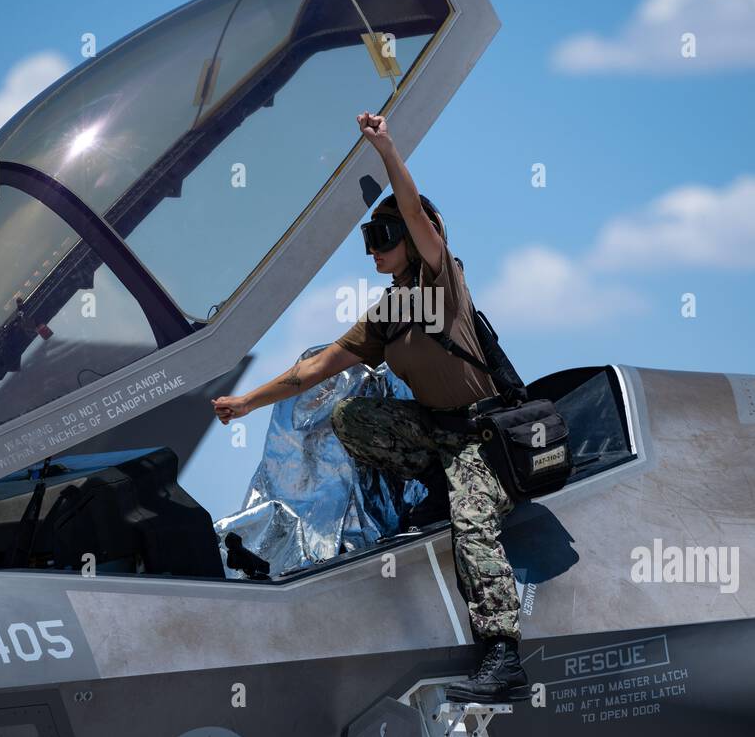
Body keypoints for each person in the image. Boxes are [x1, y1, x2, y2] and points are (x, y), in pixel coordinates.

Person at [212, 111, 528, 704]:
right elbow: (314, 369)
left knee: (473, 524)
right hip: (437, 435)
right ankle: (430, 486)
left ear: (417, 238)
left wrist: (386, 150)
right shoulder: (388, 311)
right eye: (369, 241)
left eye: (383, 239)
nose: (374, 252)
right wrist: (246, 403)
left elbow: (413, 209)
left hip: (482, 436)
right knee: (349, 417)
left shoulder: (441, 282)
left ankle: (503, 653)